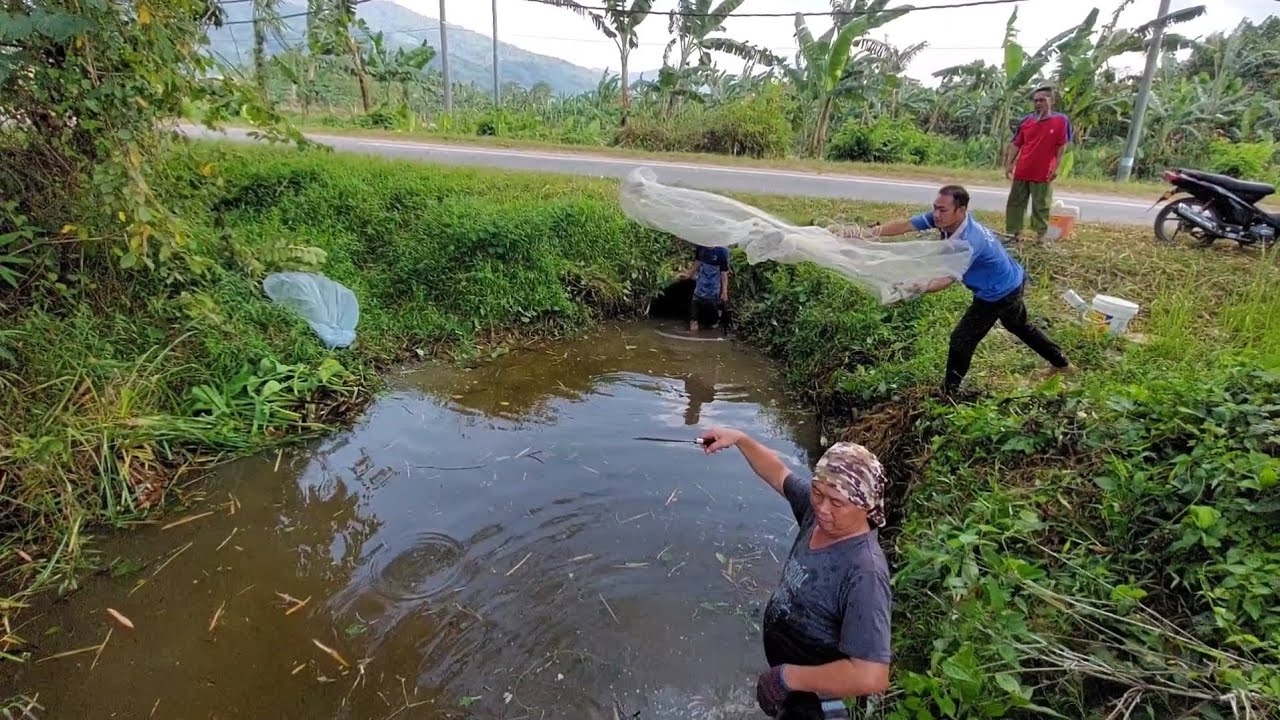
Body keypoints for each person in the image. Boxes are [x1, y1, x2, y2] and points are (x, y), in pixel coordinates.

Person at [698, 426, 892, 717]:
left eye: (837, 502)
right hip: (789, 674)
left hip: (818, 697)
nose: (823, 508)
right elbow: (778, 473)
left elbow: (871, 675)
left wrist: (787, 678)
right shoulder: (819, 515)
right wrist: (740, 439)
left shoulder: (865, 573)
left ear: (866, 506)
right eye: (817, 492)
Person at [873, 185, 1070, 395]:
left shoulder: (968, 241)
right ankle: (1062, 364)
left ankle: (949, 392)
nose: (936, 215)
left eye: (943, 210)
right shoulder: (947, 219)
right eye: (935, 208)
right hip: (1011, 277)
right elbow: (906, 225)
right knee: (1018, 326)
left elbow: (946, 279)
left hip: (998, 293)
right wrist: (868, 233)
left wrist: (917, 287)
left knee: (962, 339)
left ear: (961, 210)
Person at [1004, 86, 1073, 241]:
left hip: (1043, 172)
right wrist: (1009, 164)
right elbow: (1016, 144)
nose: (1038, 104)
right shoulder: (1026, 121)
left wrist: (1057, 167)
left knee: (1041, 205)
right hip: (1023, 169)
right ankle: (1013, 234)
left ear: (1052, 101)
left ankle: (1040, 236)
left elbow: (1061, 146)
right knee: (1015, 203)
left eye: (1042, 100)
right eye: (1035, 101)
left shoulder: (1061, 121)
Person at [678, 245, 730, 332]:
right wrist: (688, 274)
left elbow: (724, 273)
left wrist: (724, 291)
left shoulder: (722, 251)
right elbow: (697, 263)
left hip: (713, 290)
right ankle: (693, 336)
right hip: (700, 287)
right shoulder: (701, 248)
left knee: (713, 323)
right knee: (693, 318)